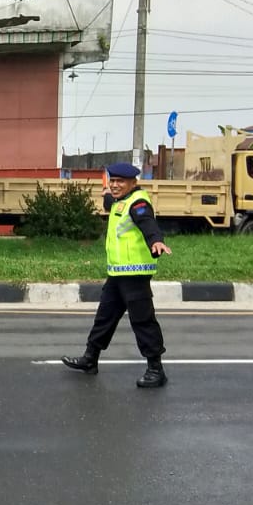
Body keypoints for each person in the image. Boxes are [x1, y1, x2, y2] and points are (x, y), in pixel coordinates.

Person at [62, 161, 173, 389]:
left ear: (133, 183)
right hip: (117, 274)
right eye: (112, 180)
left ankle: (156, 369)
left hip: (135, 274)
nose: (115, 185)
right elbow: (110, 202)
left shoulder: (138, 202)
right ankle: (90, 359)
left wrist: (156, 240)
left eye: (120, 181)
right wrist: (106, 193)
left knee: (143, 321)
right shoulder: (119, 201)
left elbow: (147, 222)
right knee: (105, 317)